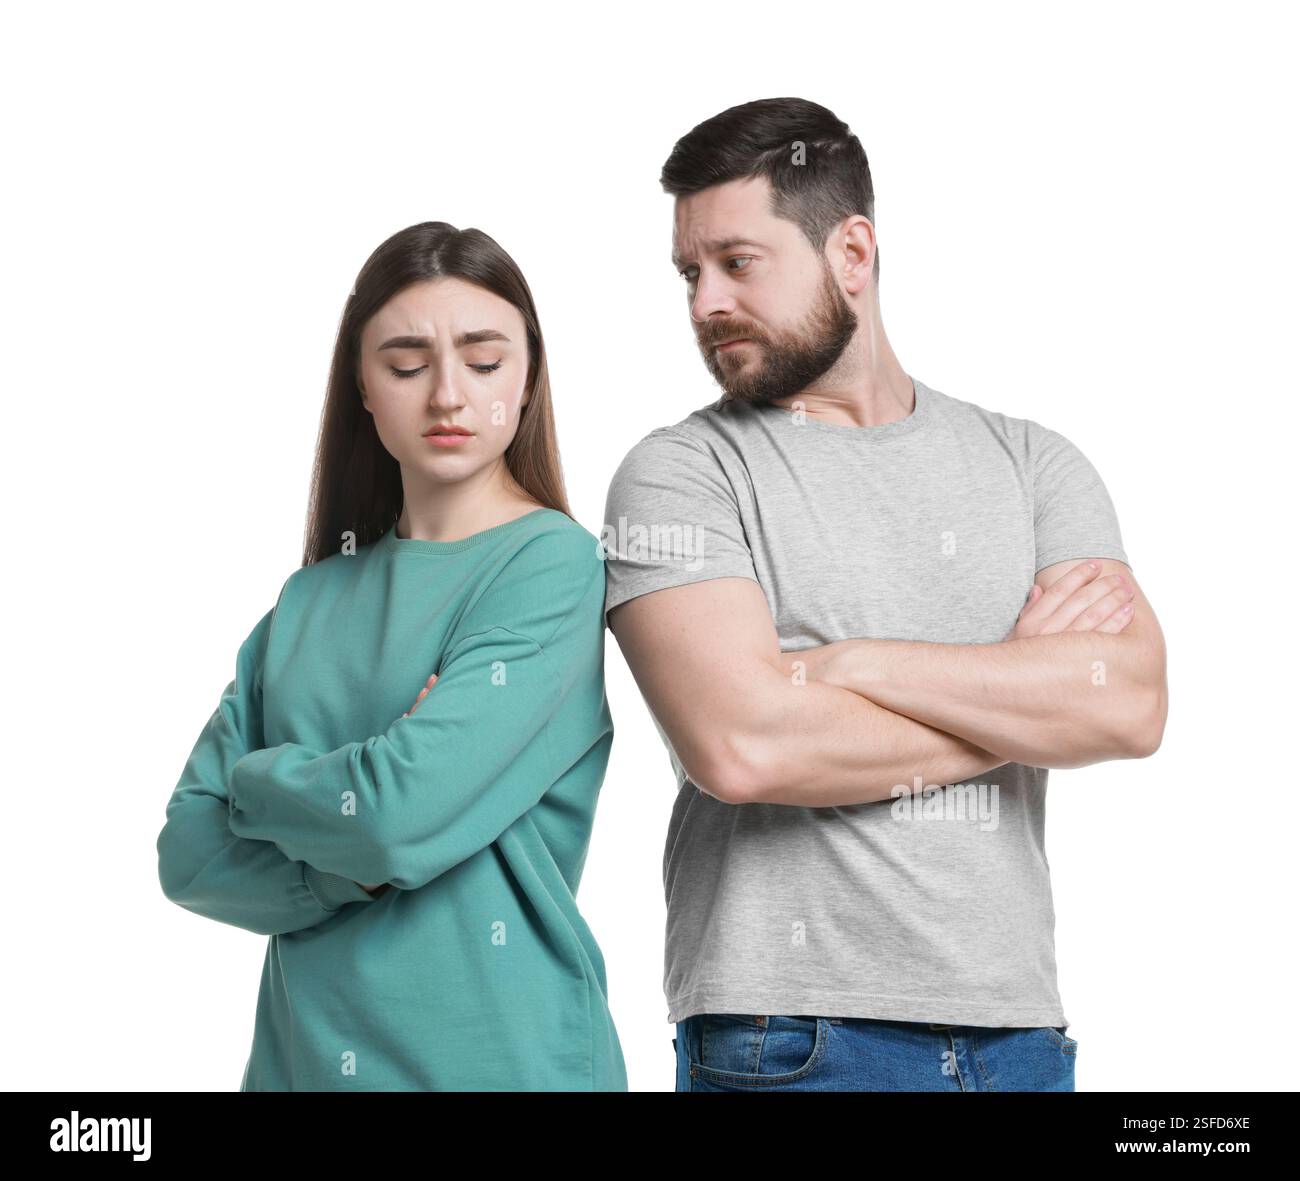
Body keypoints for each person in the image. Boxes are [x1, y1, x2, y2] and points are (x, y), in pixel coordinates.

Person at [601, 97, 1168, 1092]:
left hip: (1019, 1032)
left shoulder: (1033, 465)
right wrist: (1022, 707)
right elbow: (743, 746)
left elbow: (1126, 702)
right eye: (689, 273)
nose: (703, 303)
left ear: (851, 252)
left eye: (737, 262)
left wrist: (843, 665)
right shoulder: (678, 475)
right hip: (789, 1030)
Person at [157, 221, 626, 1091]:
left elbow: (390, 816)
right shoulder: (308, 599)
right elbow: (188, 852)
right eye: (406, 364)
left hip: (506, 1066)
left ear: (527, 381)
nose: (447, 393)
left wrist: (257, 784)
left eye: (484, 362)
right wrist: (361, 868)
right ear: (363, 388)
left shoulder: (552, 565)